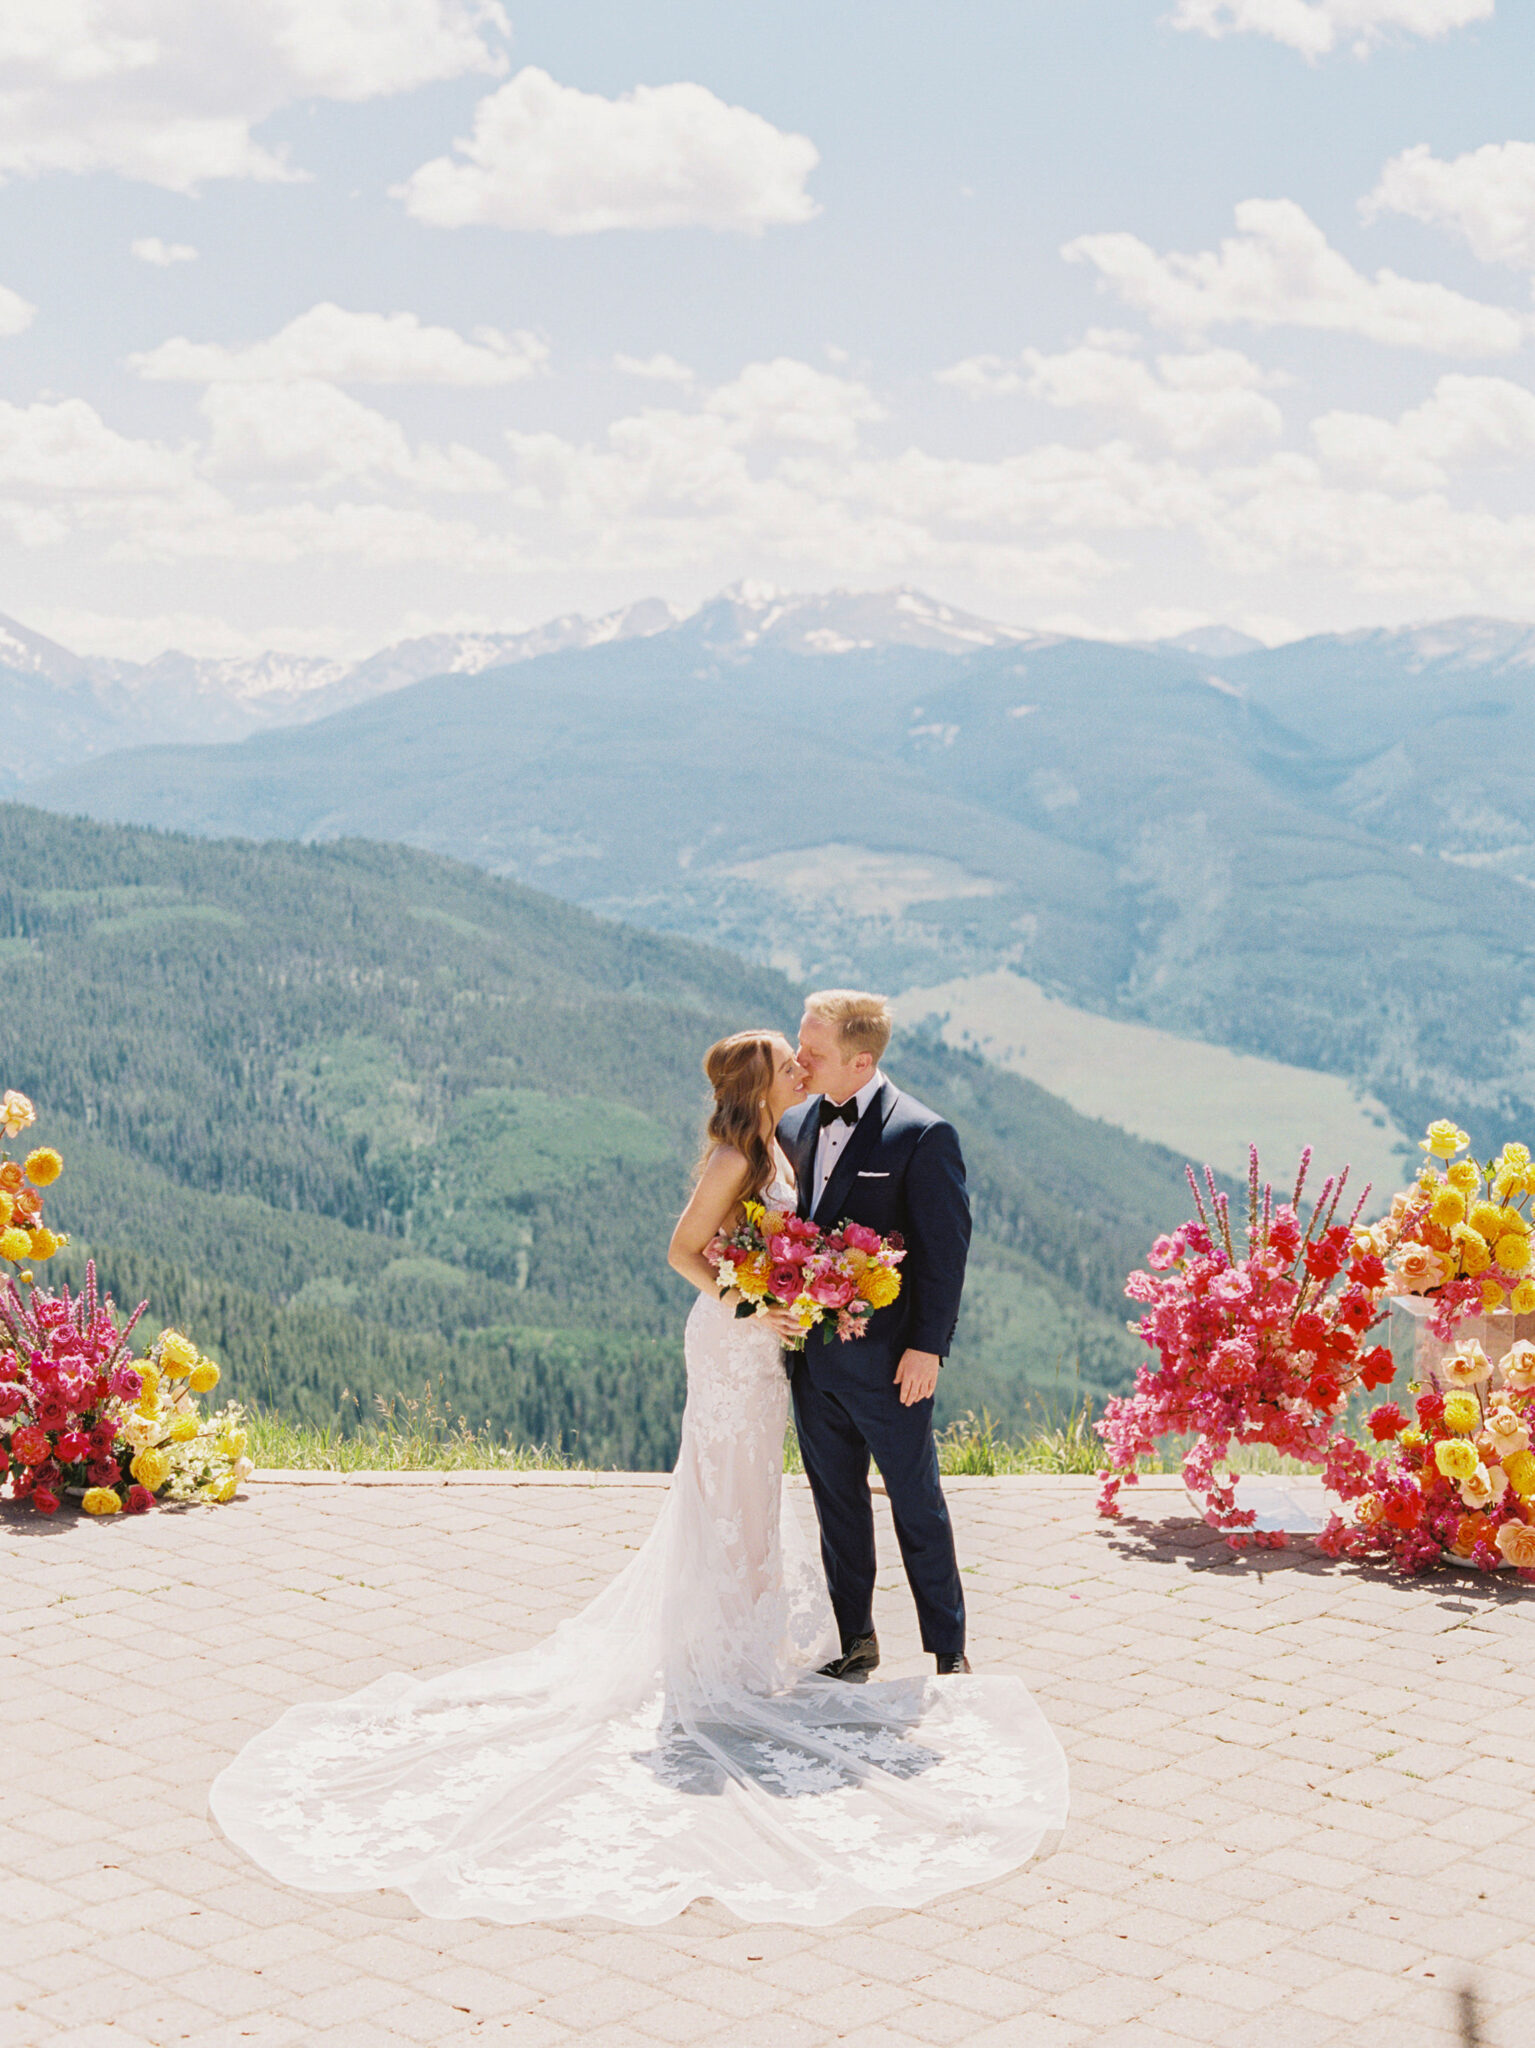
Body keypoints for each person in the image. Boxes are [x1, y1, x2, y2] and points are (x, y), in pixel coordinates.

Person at [208, 1028, 1066, 1926]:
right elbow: (682, 1251)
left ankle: (743, 1639)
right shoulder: (739, 1152)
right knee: (723, 1493)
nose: (798, 1068)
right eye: (786, 1061)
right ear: (761, 1082)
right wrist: (756, 1302)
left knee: (747, 1501)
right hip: (735, 1345)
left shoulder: (785, 1138)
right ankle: (711, 1654)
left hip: (768, 1355)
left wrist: (804, 1294)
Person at [779, 990, 971, 1679]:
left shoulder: (921, 1135)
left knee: (916, 1503)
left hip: (893, 1364)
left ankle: (948, 1652)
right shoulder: (794, 1123)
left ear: (861, 1061)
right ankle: (854, 1640)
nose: (798, 1059)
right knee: (837, 1508)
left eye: (813, 1051)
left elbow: (944, 1253)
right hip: (811, 1363)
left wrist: (927, 1348)